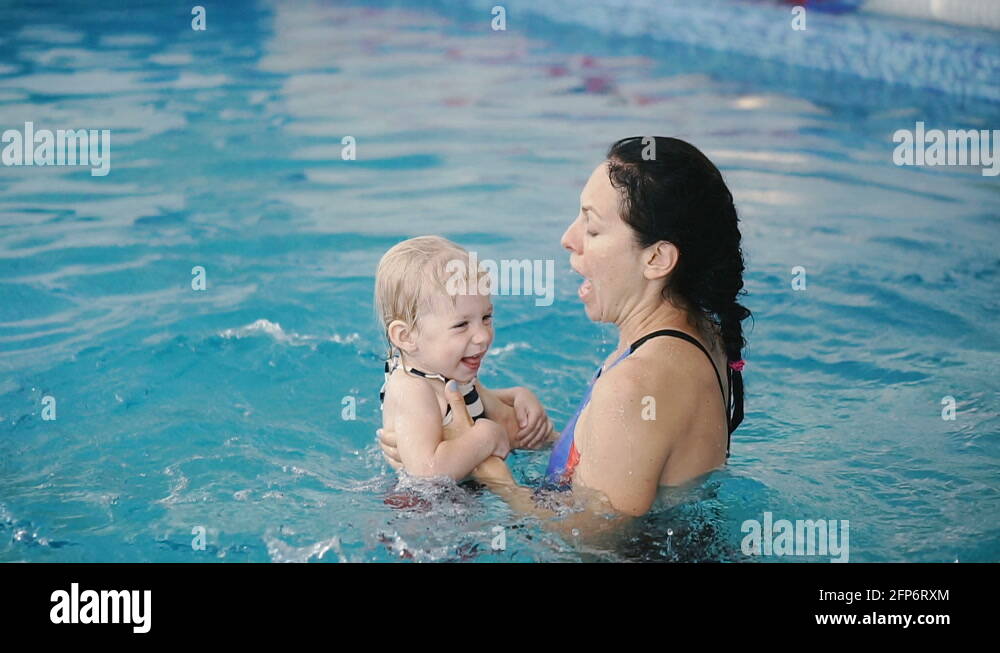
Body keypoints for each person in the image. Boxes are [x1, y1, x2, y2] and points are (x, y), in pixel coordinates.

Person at [379, 137, 748, 535]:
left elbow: (592, 543)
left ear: (656, 259)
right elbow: (628, 466)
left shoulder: (637, 384)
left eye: (591, 227)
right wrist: (534, 435)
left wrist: (487, 467)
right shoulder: (697, 335)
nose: (568, 239)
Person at [374, 235, 553, 481]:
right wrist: (487, 437)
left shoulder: (445, 369)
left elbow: (473, 403)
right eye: (461, 325)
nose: (482, 336)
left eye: (487, 318)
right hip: (421, 513)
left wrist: (517, 396)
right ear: (406, 336)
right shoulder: (411, 389)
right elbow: (426, 474)